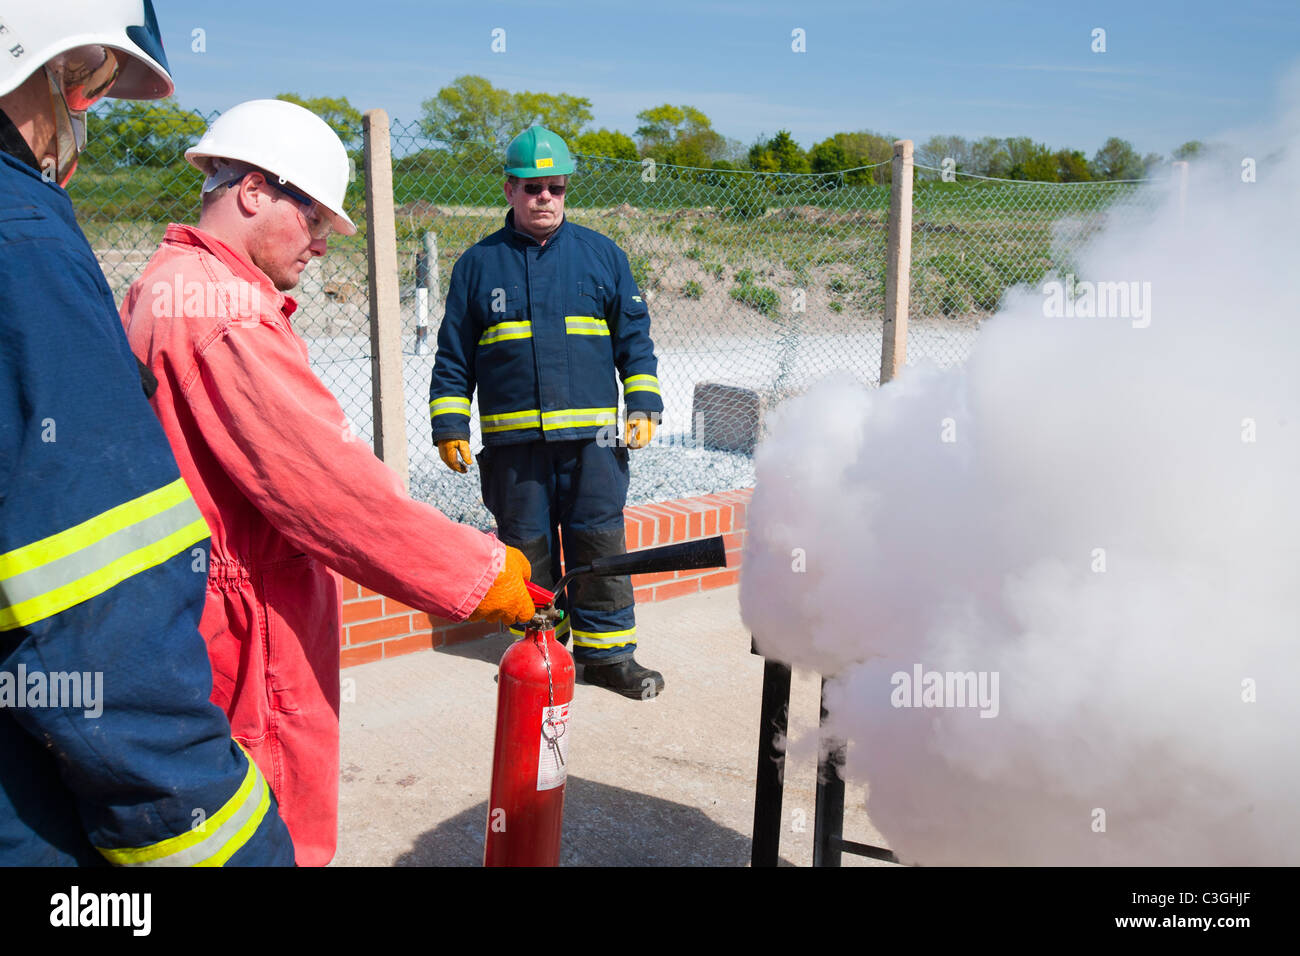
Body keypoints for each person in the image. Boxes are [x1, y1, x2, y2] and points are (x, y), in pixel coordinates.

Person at [120, 98, 534, 867]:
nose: (319, 244)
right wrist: (479, 575)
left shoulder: (168, 283)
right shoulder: (225, 314)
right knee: (273, 831)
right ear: (252, 192)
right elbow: (332, 490)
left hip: (198, 608)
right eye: (312, 217)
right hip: (249, 629)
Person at [0, 2, 294, 865]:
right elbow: (92, 599)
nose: (77, 112)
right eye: (82, 78)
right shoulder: (29, 246)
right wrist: (225, 843)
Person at [430, 126, 665, 700]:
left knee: (599, 543)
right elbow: (454, 353)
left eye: (556, 188)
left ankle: (609, 658)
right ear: (509, 189)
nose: (545, 198)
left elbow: (634, 338)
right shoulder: (477, 265)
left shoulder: (602, 255)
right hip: (515, 449)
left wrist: (643, 403)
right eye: (533, 188)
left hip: (595, 444)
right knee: (527, 550)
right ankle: (541, 657)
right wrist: (448, 424)